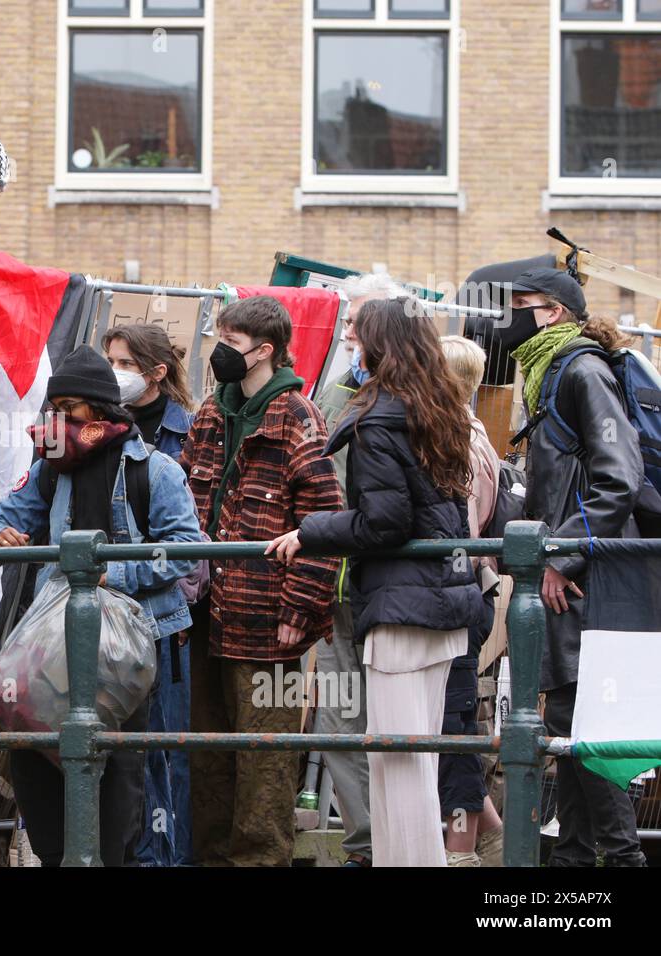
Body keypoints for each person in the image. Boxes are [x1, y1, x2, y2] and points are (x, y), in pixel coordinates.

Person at [271, 297, 484, 867]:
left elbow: (385, 522)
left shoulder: (379, 418)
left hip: (400, 606)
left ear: (379, 345)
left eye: (356, 334)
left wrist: (310, 530)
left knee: (396, 758)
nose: (348, 342)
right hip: (441, 603)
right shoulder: (435, 407)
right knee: (413, 755)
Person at [0, 344, 202, 867]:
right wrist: (3, 536)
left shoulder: (158, 472)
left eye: (70, 408)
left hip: (129, 656)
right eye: (53, 409)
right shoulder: (50, 467)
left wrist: (112, 572)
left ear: (100, 412)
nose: (57, 419)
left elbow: (184, 549)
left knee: (122, 779)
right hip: (55, 652)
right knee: (36, 759)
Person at [493, 267, 648, 867]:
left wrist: (563, 553)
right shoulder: (551, 372)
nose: (507, 316)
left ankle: (622, 859)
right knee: (570, 715)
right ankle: (575, 863)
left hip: (589, 575)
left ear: (552, 312)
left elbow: (619, 477)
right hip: (579, 571)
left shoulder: (580, 371)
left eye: (519, 305)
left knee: (581, 718)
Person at [182, 295, 343, 867]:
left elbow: (323, 523)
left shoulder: (299, 417)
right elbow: (184, 503)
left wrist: (298, 614)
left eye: (230, 340)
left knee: (266, 762)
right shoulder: (208, 413)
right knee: (207, 756)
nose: (219, 350)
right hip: (202, 615)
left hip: (268, 620)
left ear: (264, 350)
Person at [311, 272, 407, 868]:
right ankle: (366, 847)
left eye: (358, 321)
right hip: (335, 586)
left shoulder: (422, 400)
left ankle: (406, 845)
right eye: (346, 320)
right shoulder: (333, 394)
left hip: (393, 591)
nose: (348, 333)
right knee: (341, 720)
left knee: (401, 725)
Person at [103, 323, 196, 866]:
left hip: (161, 616)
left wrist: (117, 575)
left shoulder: (179, 439)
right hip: (108, 626)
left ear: (156, 372)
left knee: (164, 754)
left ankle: (168, 857)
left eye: (124, 363)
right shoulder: (80, 443)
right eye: (109, 361)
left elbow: (190, 538)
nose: (115, 374)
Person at [438, 335, 505, 867]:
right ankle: (492, 833)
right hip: (471, 592)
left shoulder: (456, 438)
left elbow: (460, 525)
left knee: (452, 727)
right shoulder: (475, 433)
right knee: (452, 724)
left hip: (458, 595)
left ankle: (459, 851)